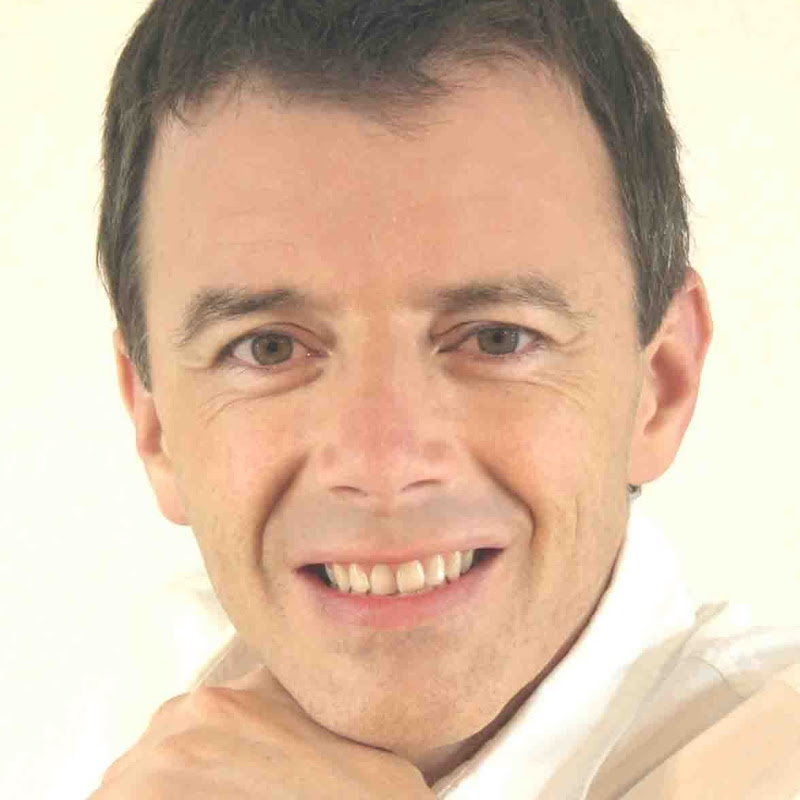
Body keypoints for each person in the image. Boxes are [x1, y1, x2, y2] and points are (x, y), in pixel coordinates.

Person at [90, 0, 800, 797]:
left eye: (497, 338)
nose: (382, 465)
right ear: (153, 423)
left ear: (661, 384)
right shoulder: (126, 713)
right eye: (268, 348)